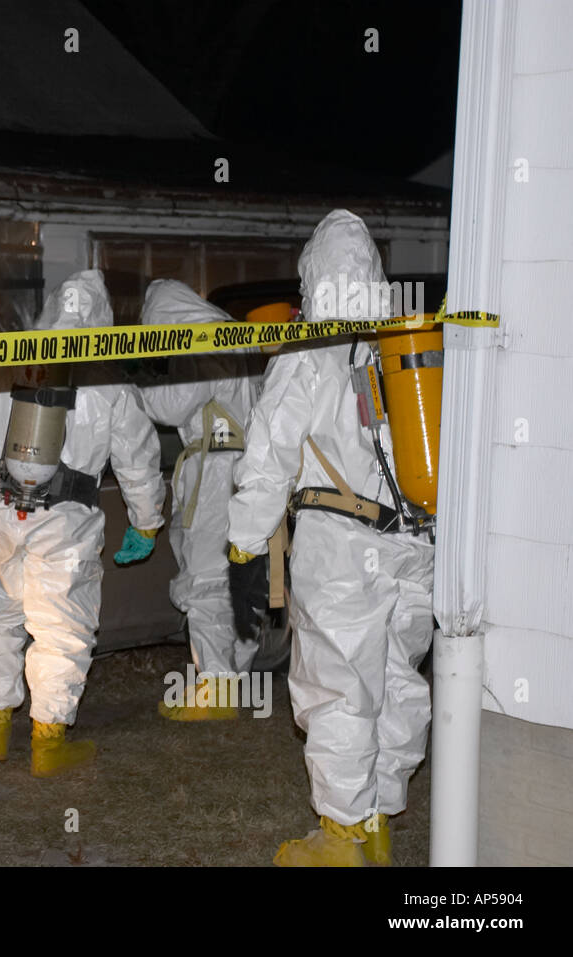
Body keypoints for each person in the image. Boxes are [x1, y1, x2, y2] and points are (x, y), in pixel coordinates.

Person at [226, 210, 434, 865]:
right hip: (419, 543)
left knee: (340, 688)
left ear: (313, 276)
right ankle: (376, 820)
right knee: (397, 680)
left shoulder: (308, 351)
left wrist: (244, 544)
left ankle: (342, 837)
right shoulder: (410, 343)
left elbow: (268, 454)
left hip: (343, 547)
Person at [0, 270, 165, 777]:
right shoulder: (107, 377)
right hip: (64, 516)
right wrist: (146, 522)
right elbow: (138, 458)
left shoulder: (4, 357)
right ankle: (49, 744)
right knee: (62, 625)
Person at [137, 279, 258, 720]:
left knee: (206, 578)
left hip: (214, 474)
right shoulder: (237, 337)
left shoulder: (200, 342)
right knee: (240, 581)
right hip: (246, 471)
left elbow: (171, 407)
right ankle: (235, 680)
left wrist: (132, 389)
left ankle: (217, 691)